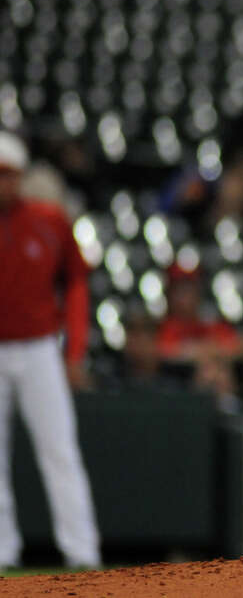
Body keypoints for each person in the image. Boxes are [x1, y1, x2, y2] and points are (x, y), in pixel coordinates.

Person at [0, 132, 101, 569]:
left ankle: (82, 552)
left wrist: (74, 350)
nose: (3, 184)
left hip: (39, 348)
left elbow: (76, 284)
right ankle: (2, 551)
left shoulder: (48, 219)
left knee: (59, 449)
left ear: (21, 177)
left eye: (8, 175)